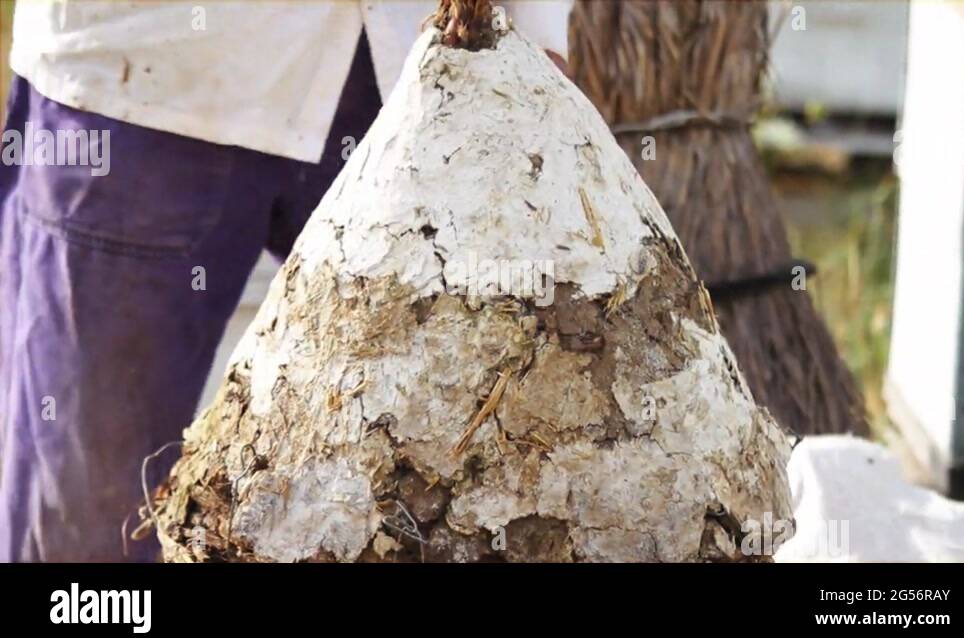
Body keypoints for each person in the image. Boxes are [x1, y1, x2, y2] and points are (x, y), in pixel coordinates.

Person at [0, 0, 573, 562]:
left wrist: (539, 26)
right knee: (85, 510)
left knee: (447, 480)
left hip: (412, 70)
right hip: (147, 75)